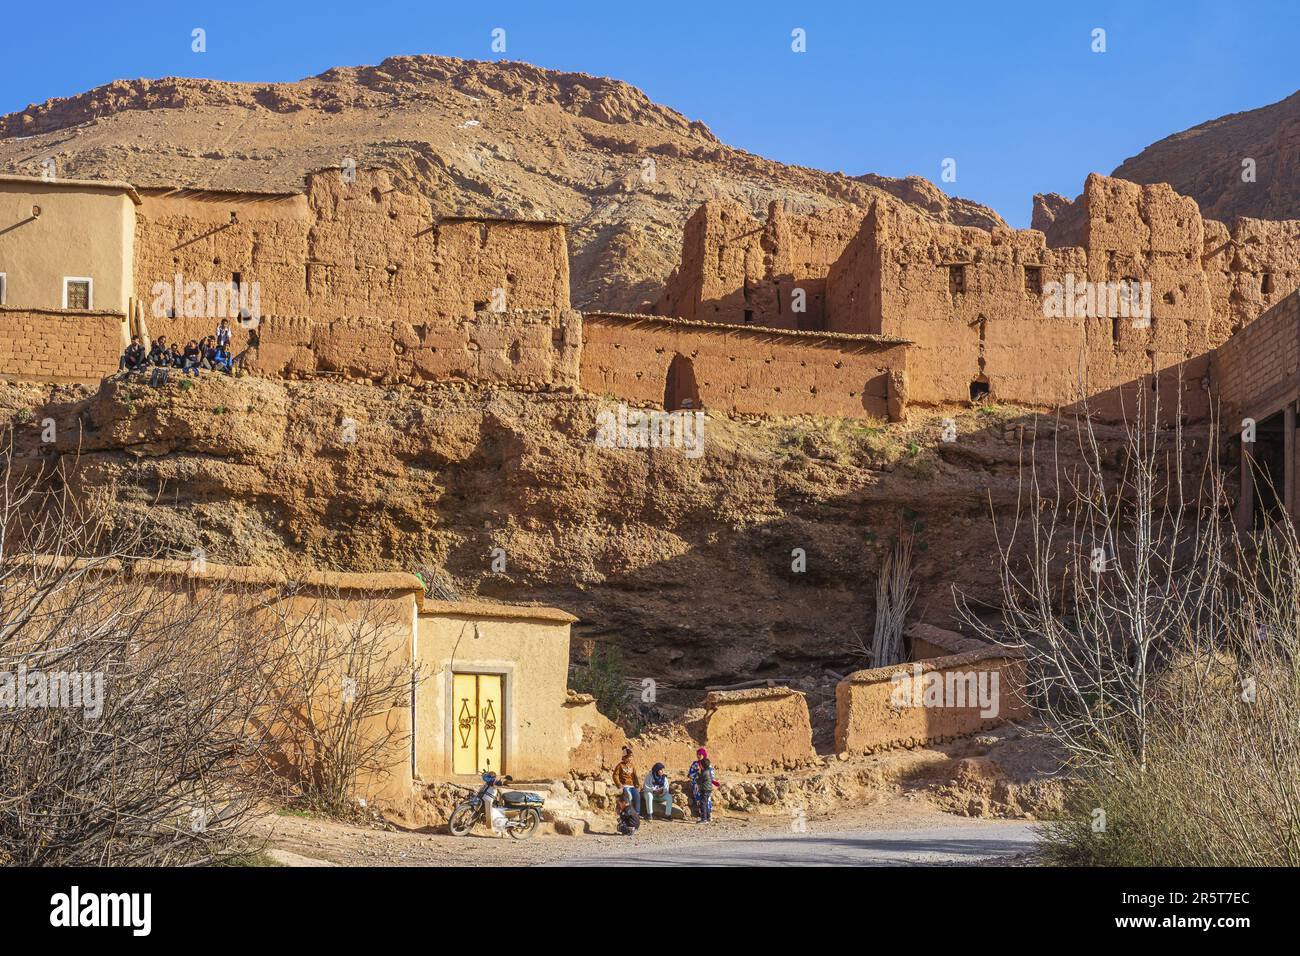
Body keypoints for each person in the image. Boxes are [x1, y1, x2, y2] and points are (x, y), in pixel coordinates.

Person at [689, 748, 718, 824]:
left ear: (703, 755)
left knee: (705, 801)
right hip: (698, 785)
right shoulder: (695, 764)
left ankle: (705, 817)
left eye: (700, 754)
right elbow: (690, 773)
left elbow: (711, 775)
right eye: (697, 754)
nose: (698, 756)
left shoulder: (707, 764)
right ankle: (705, 816)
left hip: (703, 786)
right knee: (700, 800)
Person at [611, 745, 641, 818]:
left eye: (631, 757)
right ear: (624, 757)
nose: (630, 759)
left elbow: (635, 775)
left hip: (631, 785)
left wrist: (637, 784)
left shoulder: (632, 766)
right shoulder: (620, 765)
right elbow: (615, 775)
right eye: (629, 757)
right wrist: (619, 784)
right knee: (629, 796)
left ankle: (636, 814)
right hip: (624, 785)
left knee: (637, 795)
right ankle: (629, 813)